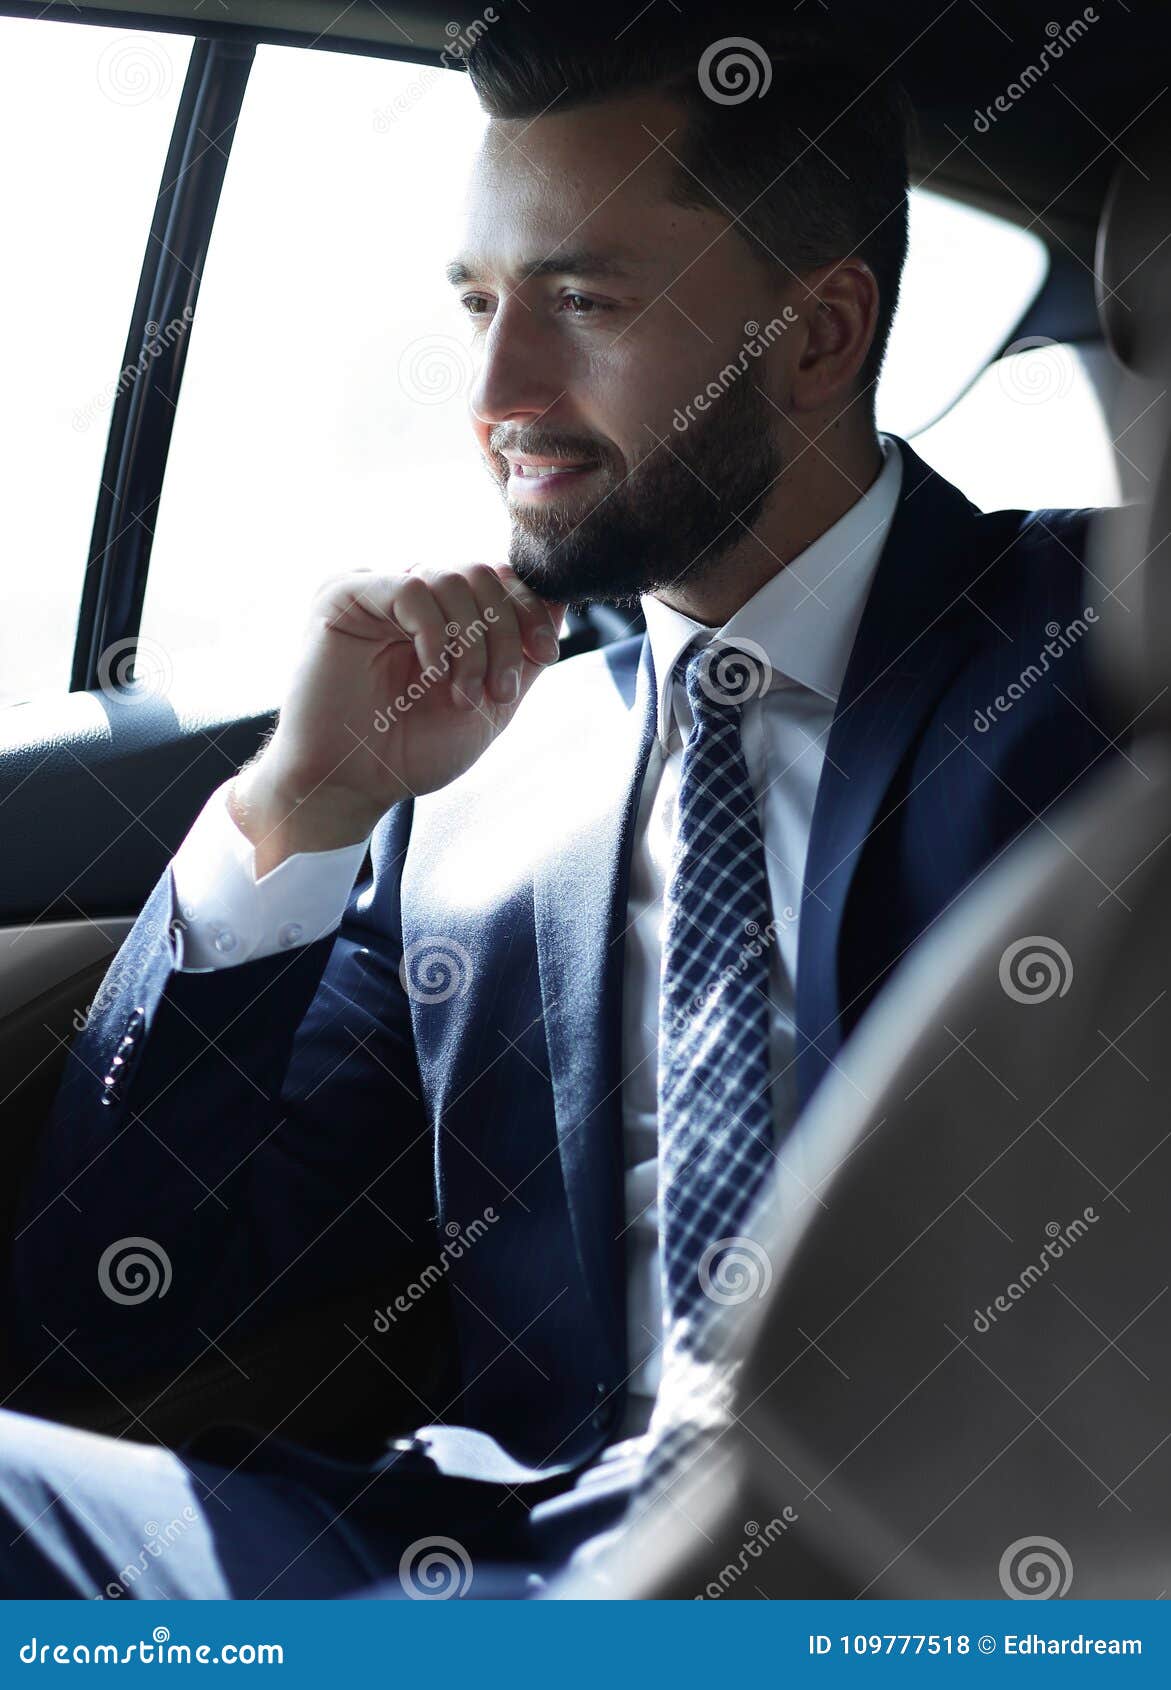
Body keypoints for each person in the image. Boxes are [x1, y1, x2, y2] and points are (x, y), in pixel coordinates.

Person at [0, 8, 1116, 1598]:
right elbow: (121, 1293)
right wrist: (302, 808)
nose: (497, 390)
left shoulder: (1102, 650)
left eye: (584, 301)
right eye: (479, 305)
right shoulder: (471, 794)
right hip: (520, 1563)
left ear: (816, 336)